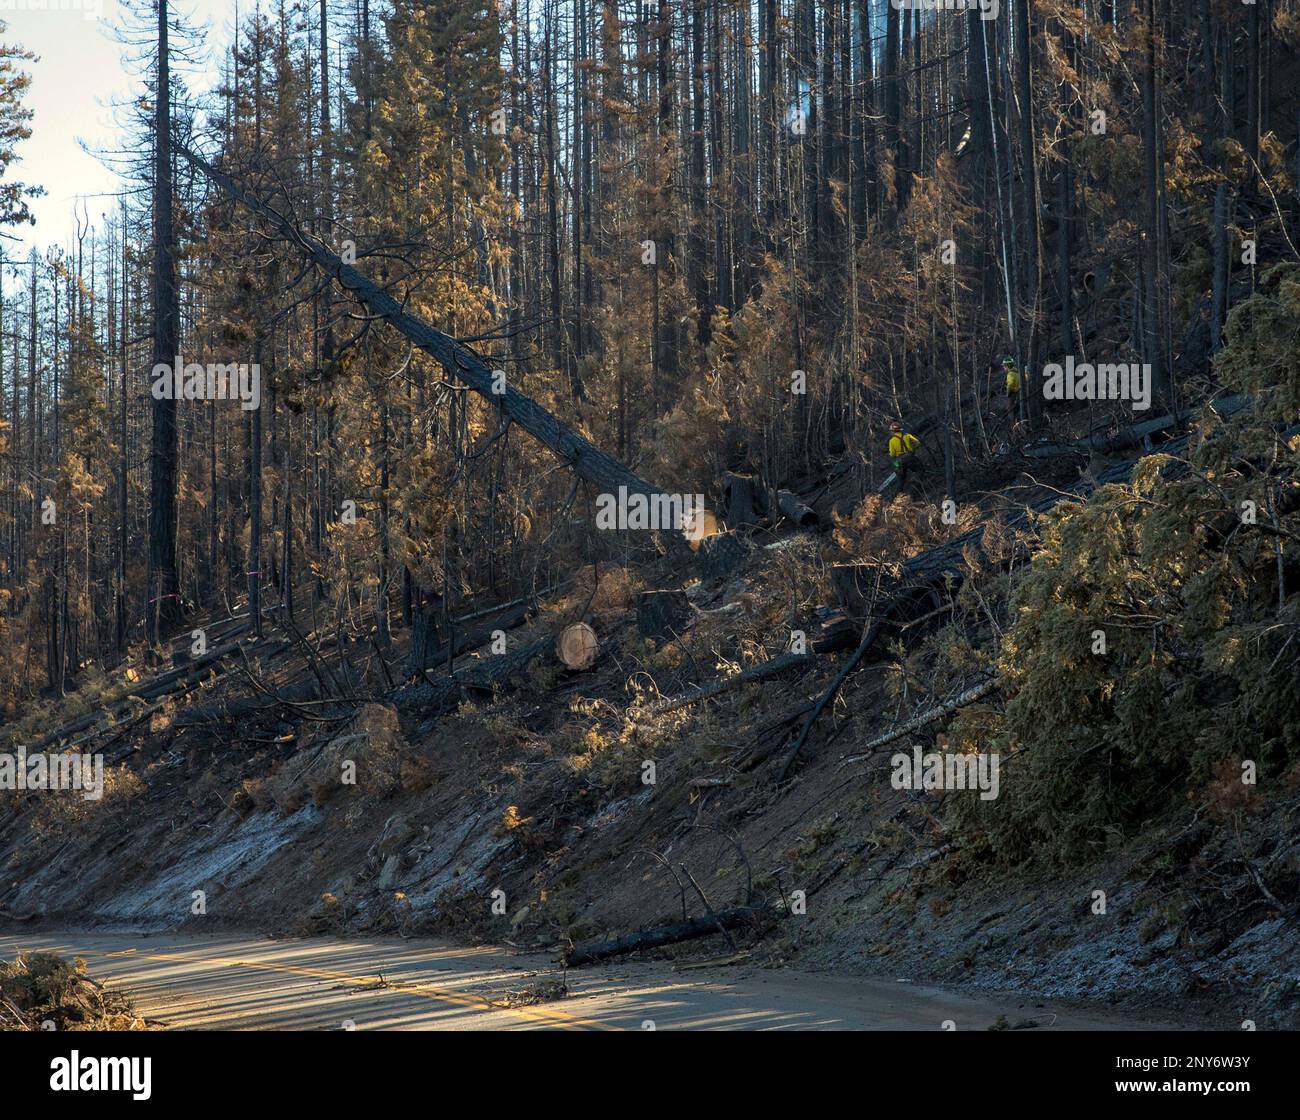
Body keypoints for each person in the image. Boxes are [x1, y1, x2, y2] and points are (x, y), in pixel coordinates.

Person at [888, 422, 920, 489]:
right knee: (920, 471)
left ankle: (898, 495)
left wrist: (897, 465)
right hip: (910, 457)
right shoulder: (907, 435)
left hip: (900, 461)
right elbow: (917, 443)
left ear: (893, 431)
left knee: (901, 480)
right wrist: (912, 449)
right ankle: (915, 482)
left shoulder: (891, 441)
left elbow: (892, 454)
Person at [1002, 356, 1021, 421]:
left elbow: (1010, 386)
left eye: (1004, 366)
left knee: (1010, 411)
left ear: (1007, 366)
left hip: (1013, 395)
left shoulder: (1010, 374)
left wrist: (1008, 394)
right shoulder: (1018, 372)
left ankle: (1013, 427)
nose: (1003, 368)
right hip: (1019, 394)